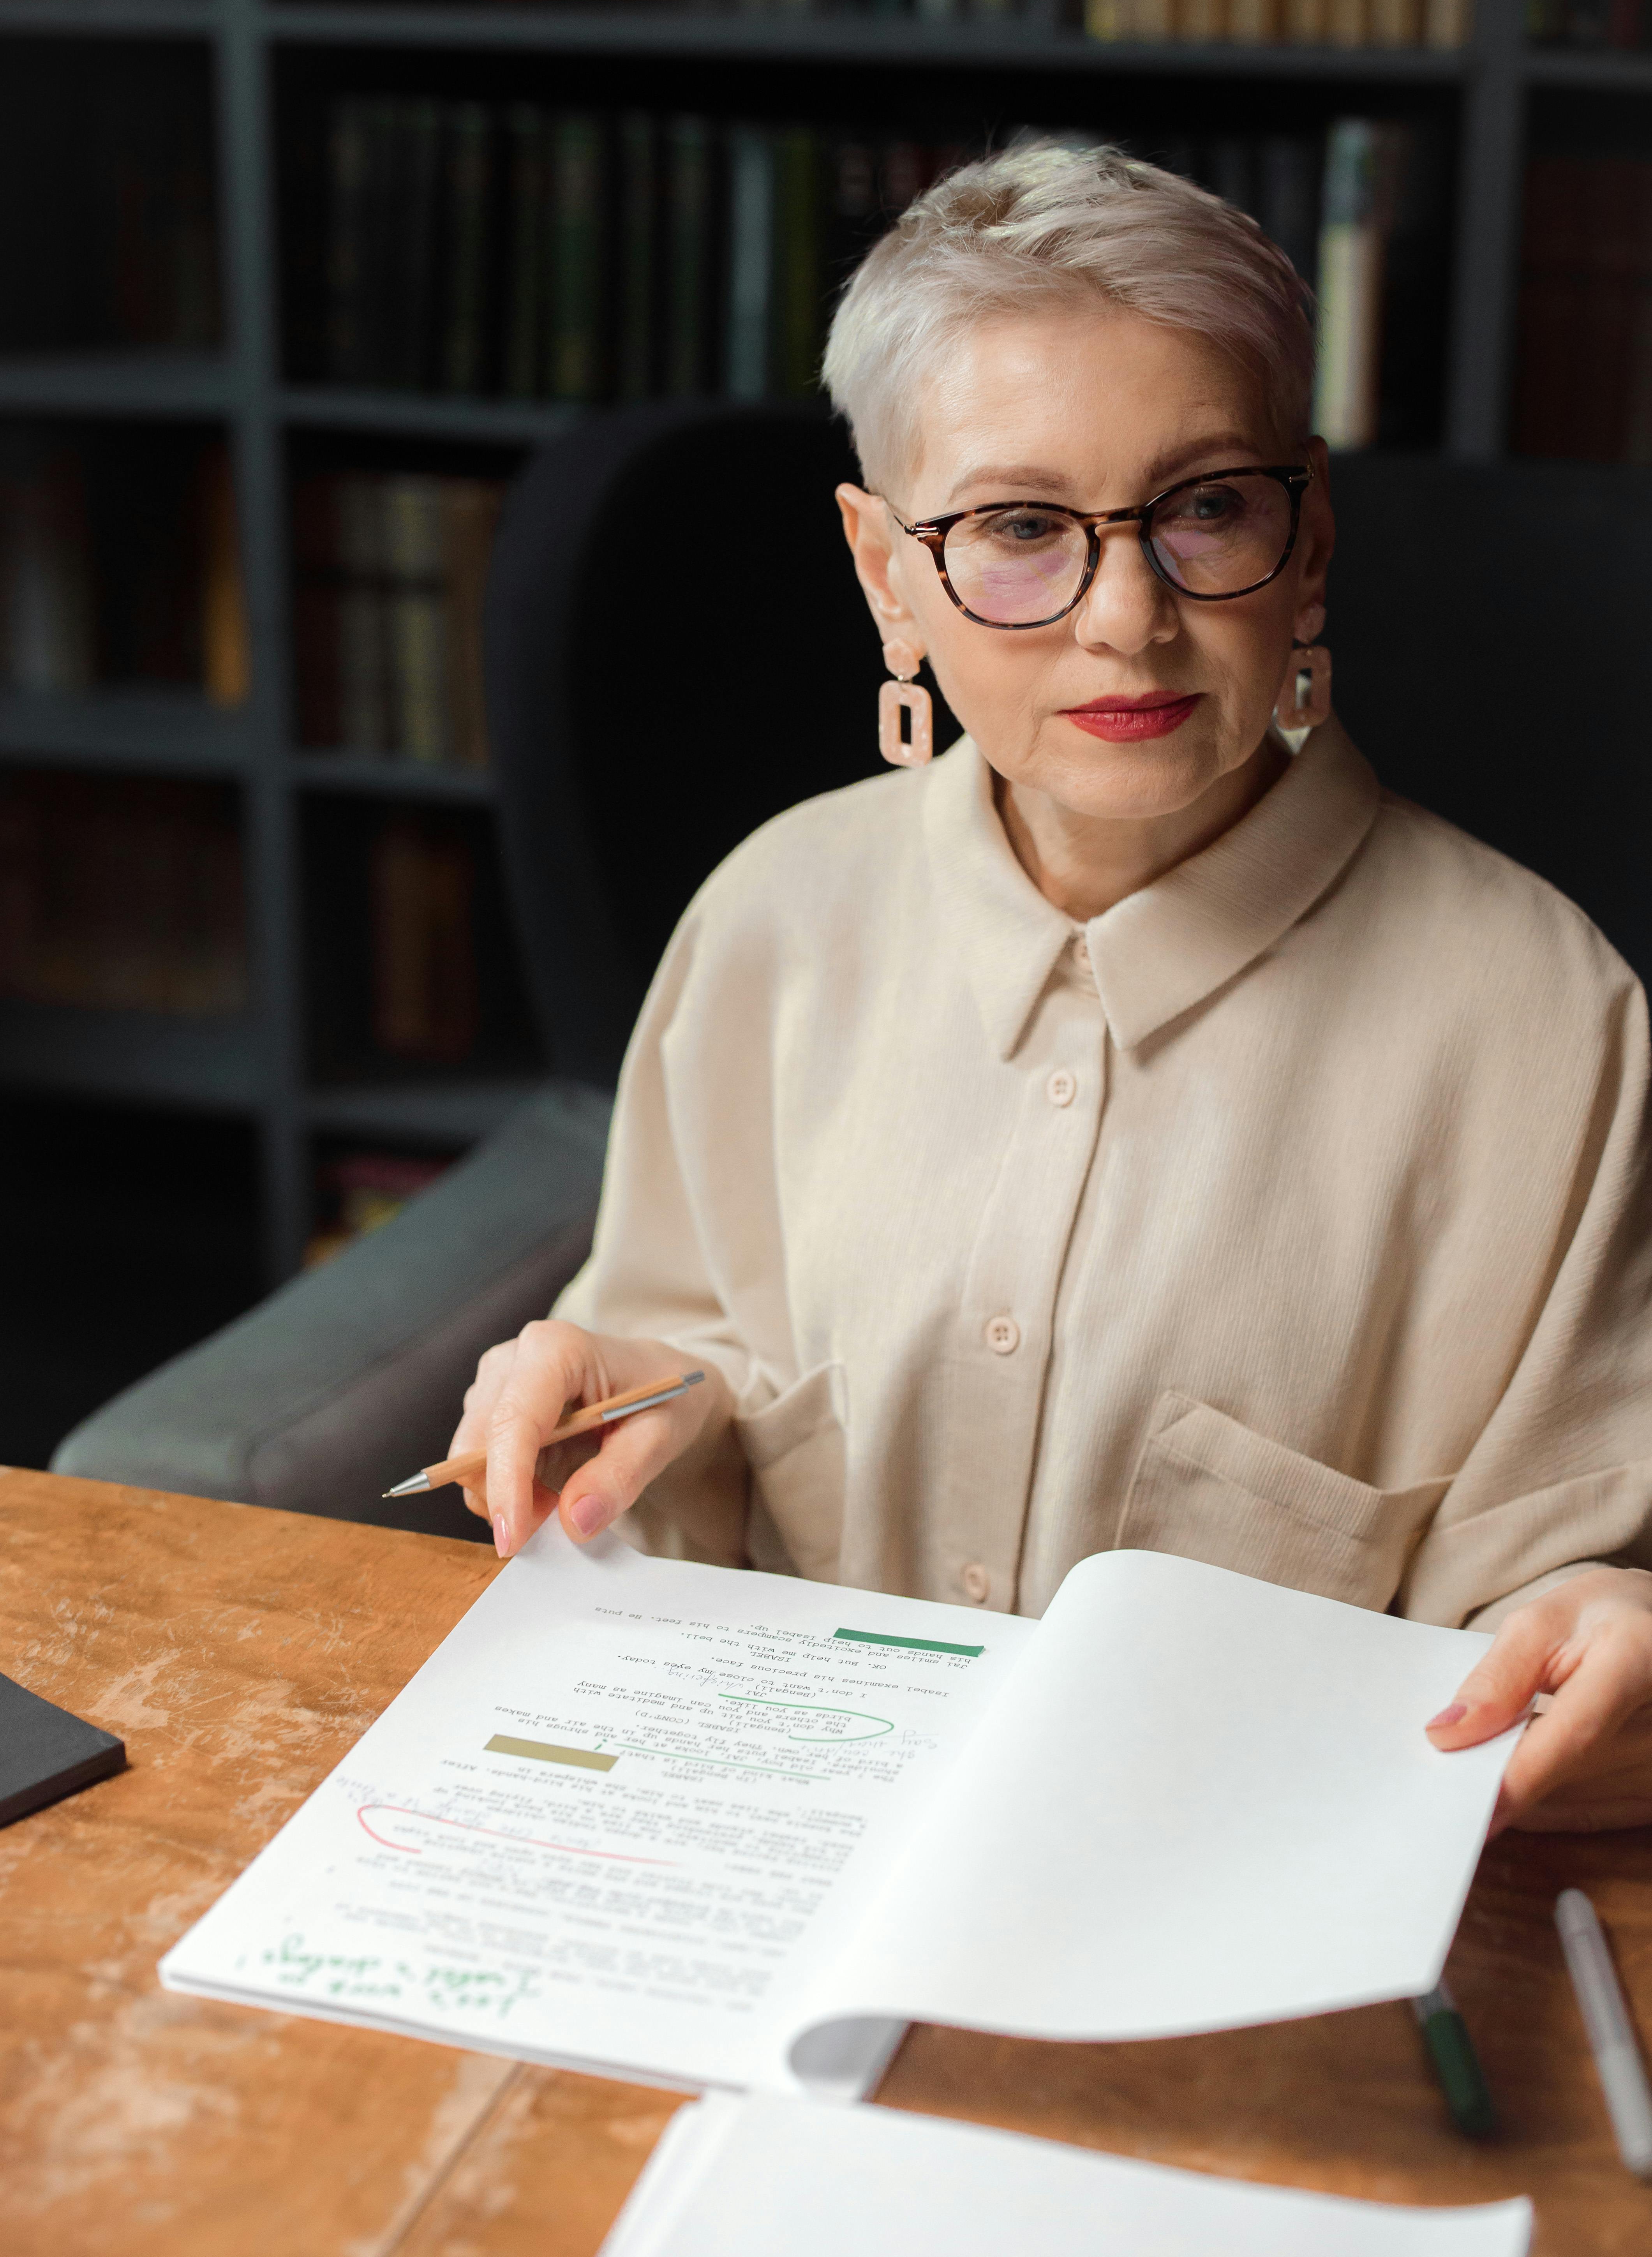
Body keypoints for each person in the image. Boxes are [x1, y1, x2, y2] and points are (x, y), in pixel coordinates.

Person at [451, 141, 1652, 1832]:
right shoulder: (769, 925)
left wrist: (1612, 1635)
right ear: (886, 573)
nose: (1126, 617)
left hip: (1240, 1894)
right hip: (770, 1843)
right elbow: (689, 1382)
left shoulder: (1549, 1024)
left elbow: (1556, 1607)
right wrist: (635, 1410)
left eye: (1204, 508)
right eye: (1017, 528)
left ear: (1306, 537)